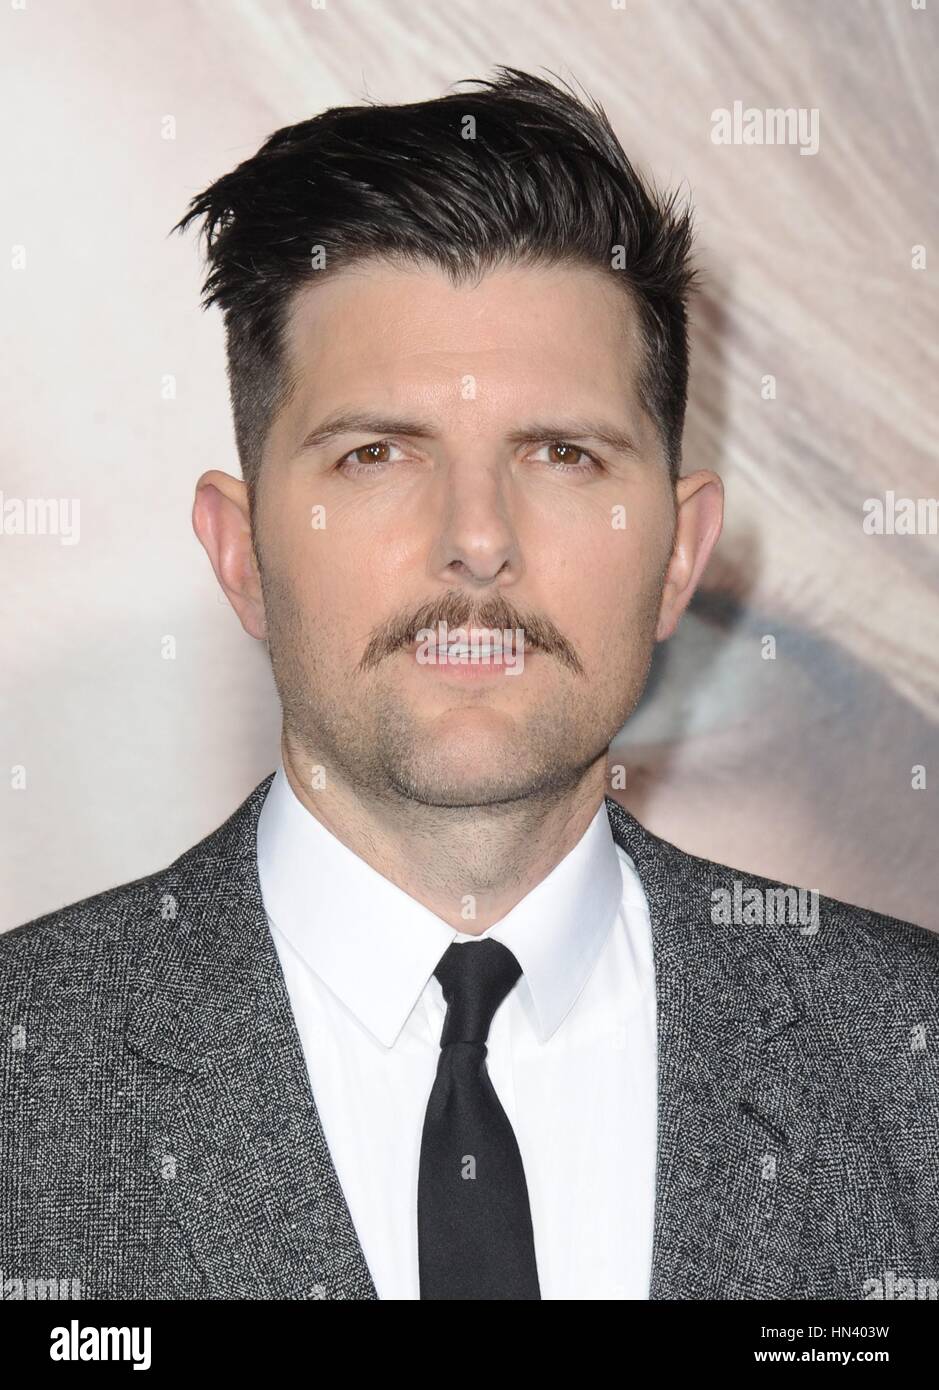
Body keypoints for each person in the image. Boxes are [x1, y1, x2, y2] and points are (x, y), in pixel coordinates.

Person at [1, 67, 936, 1302]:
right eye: (378, 452)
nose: (479, 536)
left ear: (678, 556)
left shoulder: (910, 1062)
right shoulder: (28, 1081)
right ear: (243, 556)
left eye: (562, 452)